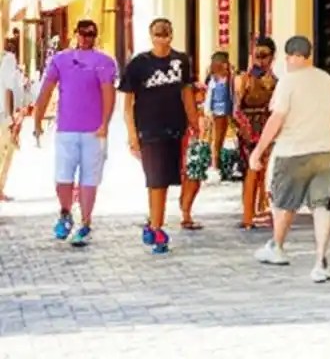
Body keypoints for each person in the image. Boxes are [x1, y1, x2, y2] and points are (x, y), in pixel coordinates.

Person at [250, 35, 330, 283]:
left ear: (290, 56)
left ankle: (277, 247)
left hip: (292, 151)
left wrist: (258, 150)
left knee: (282, 203)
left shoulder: (288, 83)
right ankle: (320, 261)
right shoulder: (327, 81)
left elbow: (277, 119)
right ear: (309, 55)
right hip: (322, 151)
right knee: (321, 206)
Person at [27, 20, 116, 246]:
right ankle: (65, 213)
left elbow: (108, 94)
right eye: (83, 34)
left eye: (91, 34)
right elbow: (47, 89)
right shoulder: (60, 60)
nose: (86, 38)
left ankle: (85, 222)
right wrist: (37, 119)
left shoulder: (104, 62)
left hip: (93, 131)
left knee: (89, 179)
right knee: (63, 177)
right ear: (75, 34)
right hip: (66, 129)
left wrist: (105, 123)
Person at [119, 17, 199, 254]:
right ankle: (157, 228)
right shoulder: (139, 64)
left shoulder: (181, 61)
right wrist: (132, 134)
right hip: (149, 129)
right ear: (150, 35)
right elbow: (127, 103)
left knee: (169, 178)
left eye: (165, 33)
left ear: (172, 35)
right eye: (157, 33)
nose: (162, 38)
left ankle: (155, 221)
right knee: (156, 180)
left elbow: (187, 93)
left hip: (175, 128)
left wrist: (195, 123)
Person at [235, 36, 278, 229]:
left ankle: (260, 207)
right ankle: (247, 216)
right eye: (257, 55)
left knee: (263, 172)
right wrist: (245, 130)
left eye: (264, 55)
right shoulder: (244, 79)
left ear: (272, 57)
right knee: (251, 171)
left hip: (267, 128)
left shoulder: (276, 82)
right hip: (249, 129)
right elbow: (235, 108)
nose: (260, 59)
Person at [203, 51, 235, 179]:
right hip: (217, 111)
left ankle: (220, 162)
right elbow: (209, 96)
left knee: (224, 137)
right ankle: (215, 163)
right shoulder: (214, 79)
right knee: (217, 138)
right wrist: (208, 111)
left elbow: (233, 95)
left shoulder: (229, 78)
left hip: (227, 109)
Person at [0, 37, 19, 201]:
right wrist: (10, 116)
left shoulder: (7, 59)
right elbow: (8, 89)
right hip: (2, 113)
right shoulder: (8, 60)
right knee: (6, 151)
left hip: (2, 112)